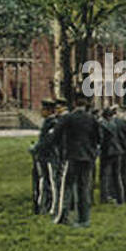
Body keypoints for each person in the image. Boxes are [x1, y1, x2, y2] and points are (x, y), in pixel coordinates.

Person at [52, 97, 101, 228]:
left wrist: (60, 149)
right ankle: (84, 219)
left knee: (66, 187)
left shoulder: (68, 118)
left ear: (74, 104)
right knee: (84, 188)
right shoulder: (92, 119)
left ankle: (63, 216)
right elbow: (98, 138)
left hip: (72, 156)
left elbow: (56, 135)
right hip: (87, 157)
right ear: (86, 106)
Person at [31, 98, 59, 215]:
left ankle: (52, 206)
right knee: (45, 180)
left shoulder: (52, 123)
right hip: (44, 156)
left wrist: (35, 148)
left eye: (43, 109)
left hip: (48, 156)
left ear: (49, 110)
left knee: (50, 181)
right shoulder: (48, 122)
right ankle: (45, 205)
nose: (41, 111)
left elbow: (47, 141)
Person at [98, 107, 123, 204]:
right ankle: (120, 197)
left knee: (104, 175)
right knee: (117, 175)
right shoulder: (116, 124)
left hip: (107, 151)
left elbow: (101, 138)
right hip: (117, 150)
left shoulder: (102, 124)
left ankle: (104, 197)